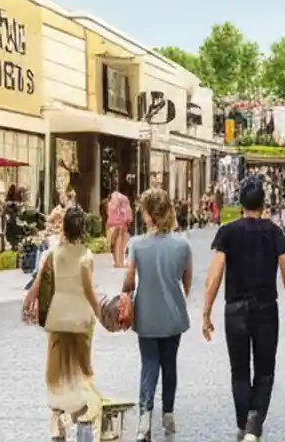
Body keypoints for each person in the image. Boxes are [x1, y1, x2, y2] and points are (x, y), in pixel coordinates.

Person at [202, 175, 285, 442]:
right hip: (266, 309)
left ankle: (243, 424)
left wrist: (206, 311)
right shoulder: (275, 232)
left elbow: (215, 274)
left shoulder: (227, 232)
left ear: (241, 202)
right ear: (263, 203)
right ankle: (254, 424)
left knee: (239, 371)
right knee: (265, 370)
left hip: (234, 309)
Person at [23, 207, 105, 442]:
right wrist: (101, 313)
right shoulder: (86, 257)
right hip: (81, 320)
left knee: (56, 372)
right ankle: (81, 416)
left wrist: (27, 305)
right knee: (81, 370)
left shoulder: (52, 254)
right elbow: (89, 292)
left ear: (64, 228)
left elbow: (36, 286)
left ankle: (57, 424)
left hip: (57, 318)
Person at [123, 189, 192, 442]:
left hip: (147, 314)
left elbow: (130, 279)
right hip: (173, 314)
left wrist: (124, 293)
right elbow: (187, 282)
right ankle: (168, 414)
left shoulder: (136, 245)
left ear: (150, 215)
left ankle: (144, 421)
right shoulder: (182, 244)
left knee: (149, 365)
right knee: (169, 365)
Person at [106, 186, 133, 269]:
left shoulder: (112, 199)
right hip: (123, 223)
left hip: (114, 223)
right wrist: (128, 221)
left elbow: (110, 211)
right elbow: (128, 212)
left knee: (115, 244)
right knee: (122, 244)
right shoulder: (125, 200)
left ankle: (117, 262)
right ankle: (121, 261)